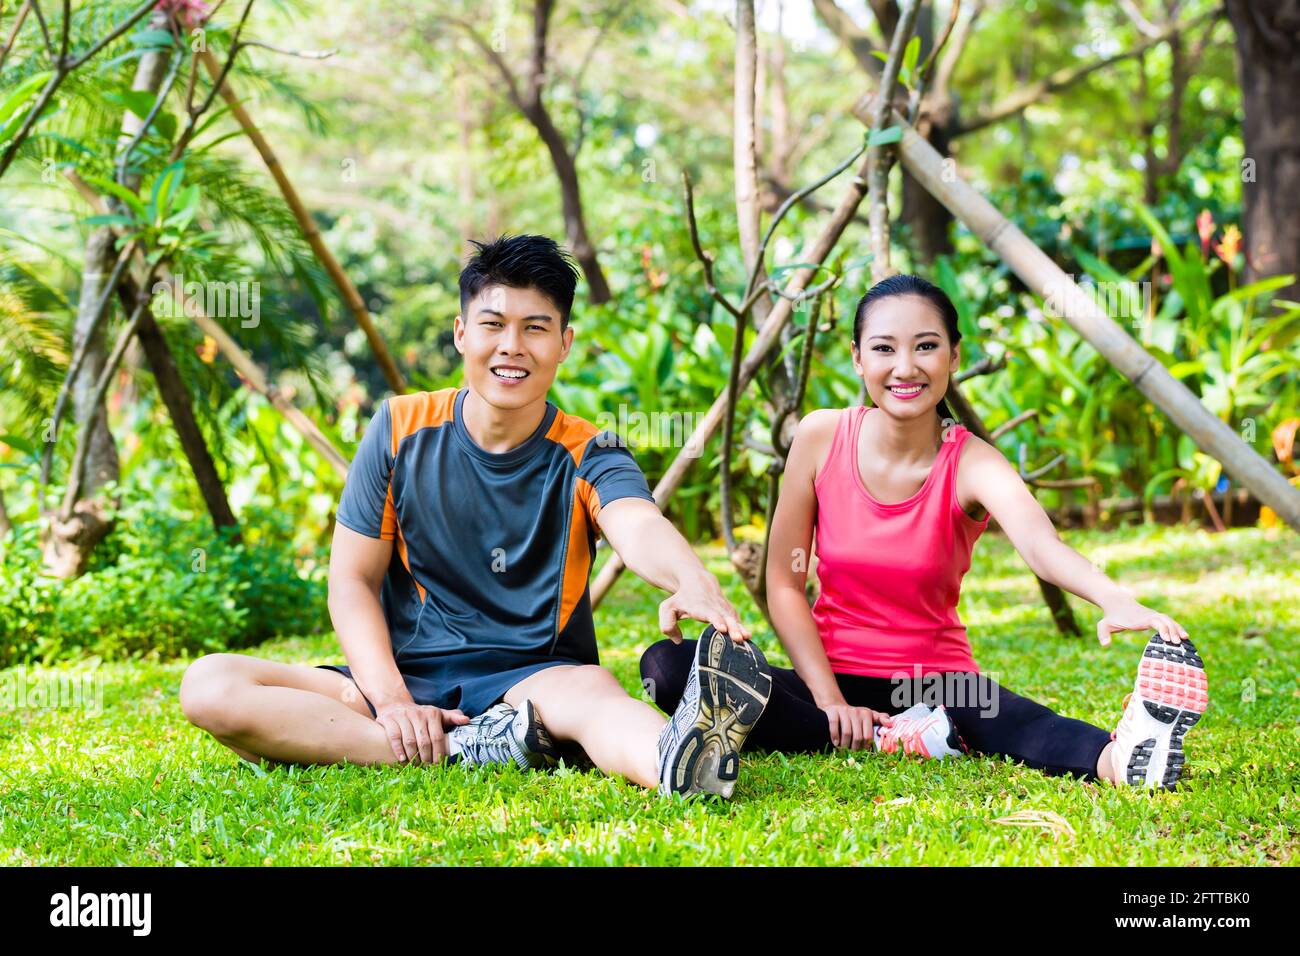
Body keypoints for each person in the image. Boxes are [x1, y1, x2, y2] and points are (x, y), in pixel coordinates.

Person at [181, 234, 772, 798]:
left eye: (535, 329)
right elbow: (352, 581)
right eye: (493, 325)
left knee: (597, 701)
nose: (512, 346)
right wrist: (392, 702)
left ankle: (678, 763)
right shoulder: (397, 428)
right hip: (398, 678)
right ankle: (463, 747)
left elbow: (636, 521)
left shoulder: (592, 451)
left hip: (534, 681)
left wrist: (689, 578)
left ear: (564, 344)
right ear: (462, 334)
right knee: (210, 685)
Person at [641, 274, 1207, 790]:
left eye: (926, 346)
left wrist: (1114, 599)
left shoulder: (973, 463)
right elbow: (785, 585)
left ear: (954, 357)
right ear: (859, 359)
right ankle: (881, 735)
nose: (905, 367)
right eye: (884, 348)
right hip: (827, 679)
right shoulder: (819, 439)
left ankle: (1124, 758)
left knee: (1006, 717)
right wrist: (832, 701)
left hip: (936, 687)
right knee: (667, 668)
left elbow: (1043, 546)